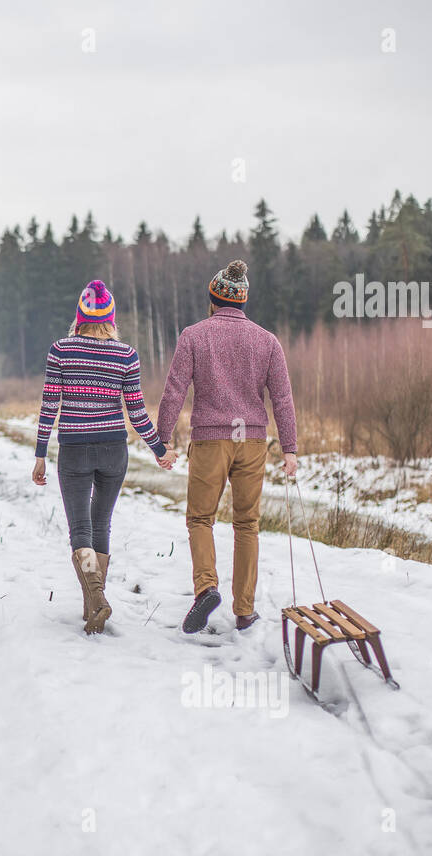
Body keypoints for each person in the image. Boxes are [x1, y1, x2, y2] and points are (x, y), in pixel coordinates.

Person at [154, 260, 298, 635]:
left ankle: (206, 588)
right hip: (251, 441)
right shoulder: (267, 340)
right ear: (243, 303)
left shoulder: (194, 335)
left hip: (211, 439)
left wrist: (162, 440)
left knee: (201, 518)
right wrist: (291, 449)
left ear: (212, 300)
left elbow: (174, 390)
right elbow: (282, 399)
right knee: (247, 524)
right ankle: (245, 611)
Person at [32, 279, 172, 634]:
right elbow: (137, 412)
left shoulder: (60, 350)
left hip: (75, 450)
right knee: (102, 525)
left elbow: (50, 405)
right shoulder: (126, 355)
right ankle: (93, 603)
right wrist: (159, 449)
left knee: (81, 529)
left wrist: (39, 455)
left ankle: (96, 600)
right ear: (110, 317)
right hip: (113, 450)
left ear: (79, 317)